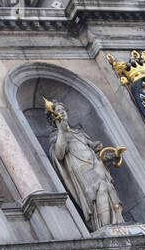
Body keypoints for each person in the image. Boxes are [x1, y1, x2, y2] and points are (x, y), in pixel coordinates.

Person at [45, 99, 124, 231]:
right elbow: (59, 154)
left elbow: (96, 151)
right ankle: (105, 226)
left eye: (63, 110)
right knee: (97, 193)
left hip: (96, 167)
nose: (62, 113)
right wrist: (61, 131)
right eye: (58, 111)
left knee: (109, 189)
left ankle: (118, 223)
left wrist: (112, 155)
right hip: (82, 172)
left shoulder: (79, 134)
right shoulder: (55, 138)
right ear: (53, 117)